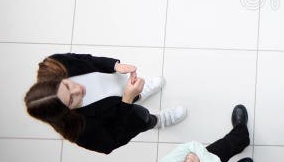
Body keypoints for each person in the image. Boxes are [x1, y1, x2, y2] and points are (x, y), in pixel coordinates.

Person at [24, 53, 186, 154]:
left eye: (67, 85)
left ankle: (139, 93)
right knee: (143, 118)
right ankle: (158, 121)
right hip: (124, 113)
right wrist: (127, 100)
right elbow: (111, 141)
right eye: (71, 100)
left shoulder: (54, 65)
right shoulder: (78, 129)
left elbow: (85, 59)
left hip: (117, 85)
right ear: (66, 113)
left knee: (130, 90)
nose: (78, 89)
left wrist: (114, 65)